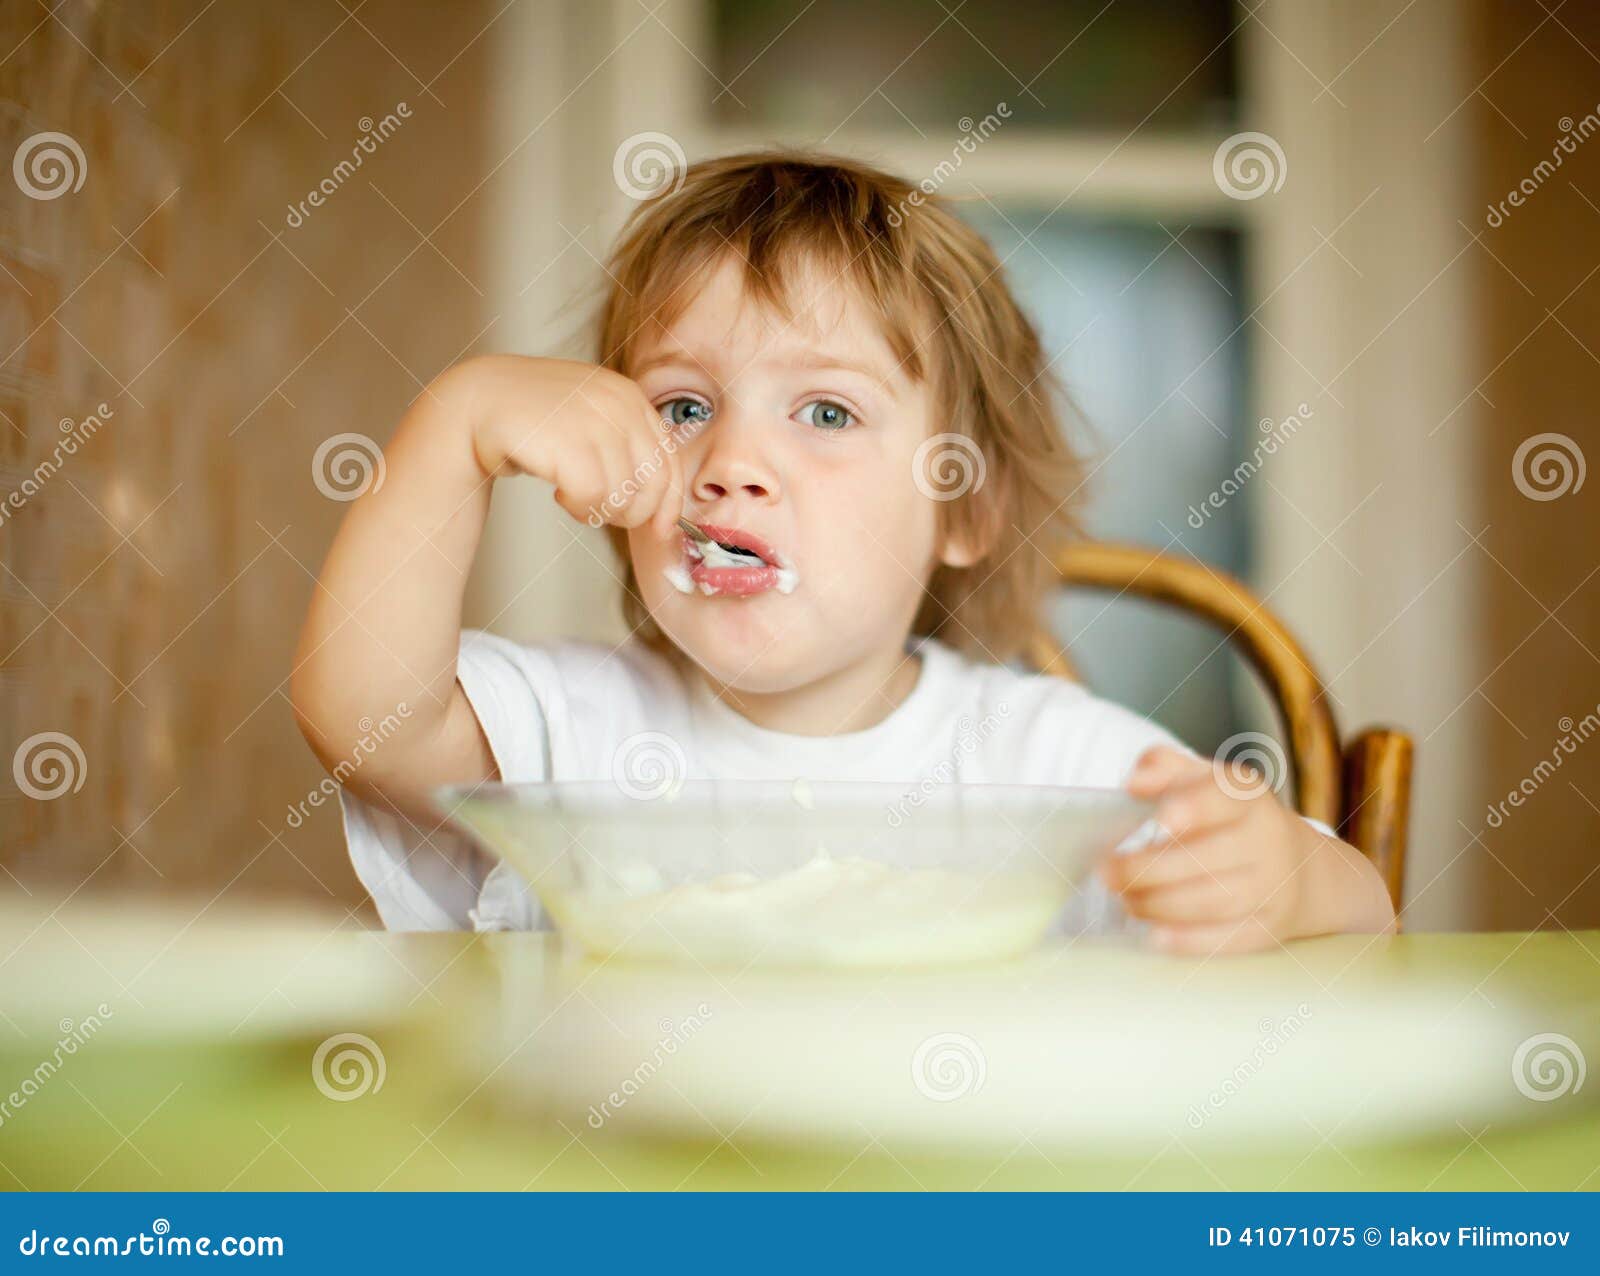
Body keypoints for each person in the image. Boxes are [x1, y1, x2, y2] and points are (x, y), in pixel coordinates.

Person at [290, 151, 1396, 953]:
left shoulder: (1037, 759)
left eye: (824, 413)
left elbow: (1368, 912)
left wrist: (1293, 881)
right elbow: (361, 719)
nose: (730, 462)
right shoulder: (567, 727)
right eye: (680, 407)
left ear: (964, 507)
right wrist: (455, 426)